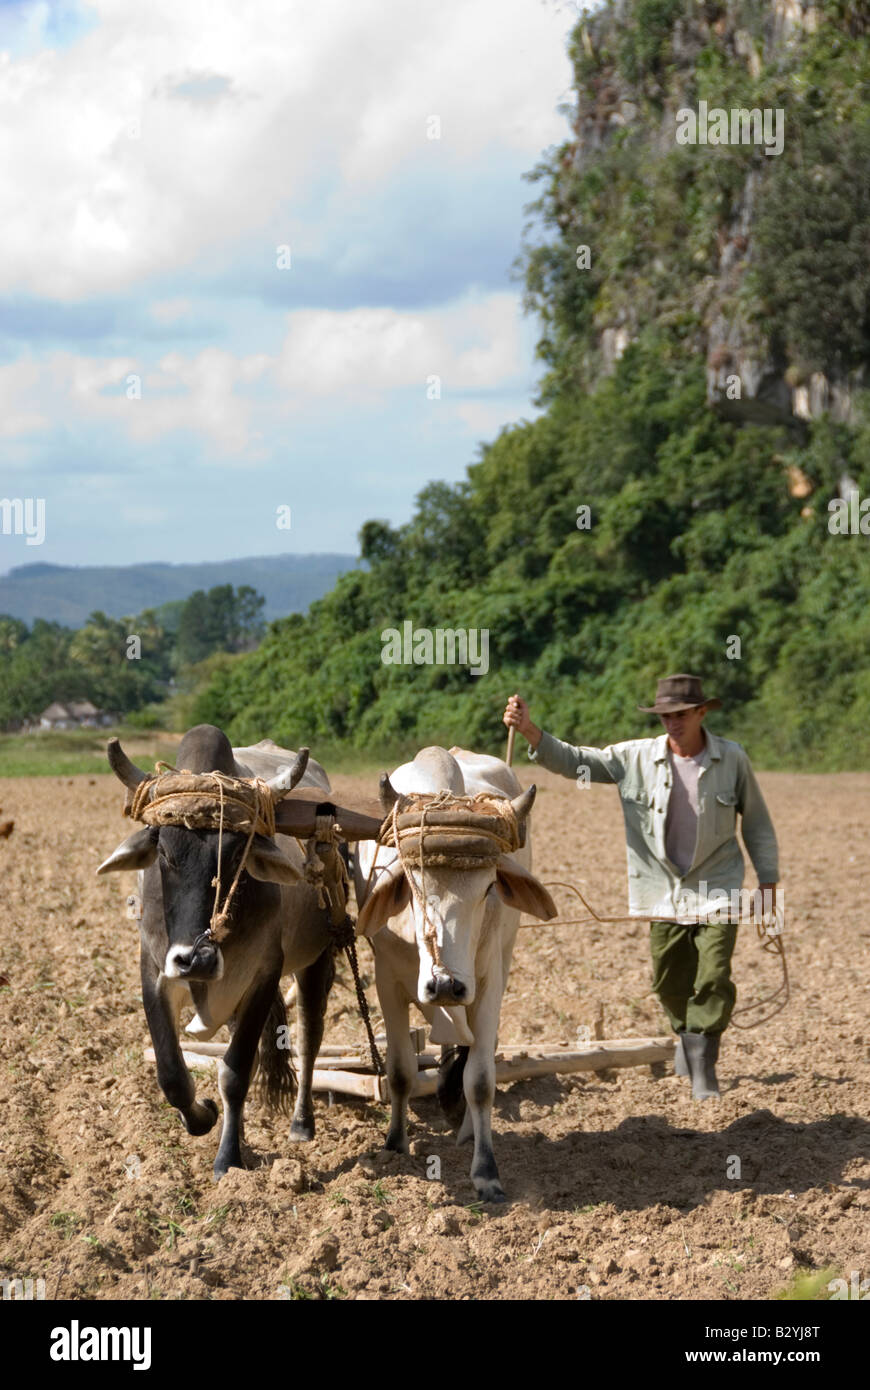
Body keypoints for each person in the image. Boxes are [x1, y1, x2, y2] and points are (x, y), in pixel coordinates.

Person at [503, 674, 779, 1100]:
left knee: (714, 974)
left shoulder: (732, 759)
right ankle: (687, 1040)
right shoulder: (635, 757)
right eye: (665, 715)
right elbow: (577, 761)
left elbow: (757, 822)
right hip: (662, 890)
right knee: (669, 981)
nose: (673, 722)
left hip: (717, 885)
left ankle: (704, 1067)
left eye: (681, 714)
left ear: (702, 712)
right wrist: (530, 732)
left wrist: (768, 881)